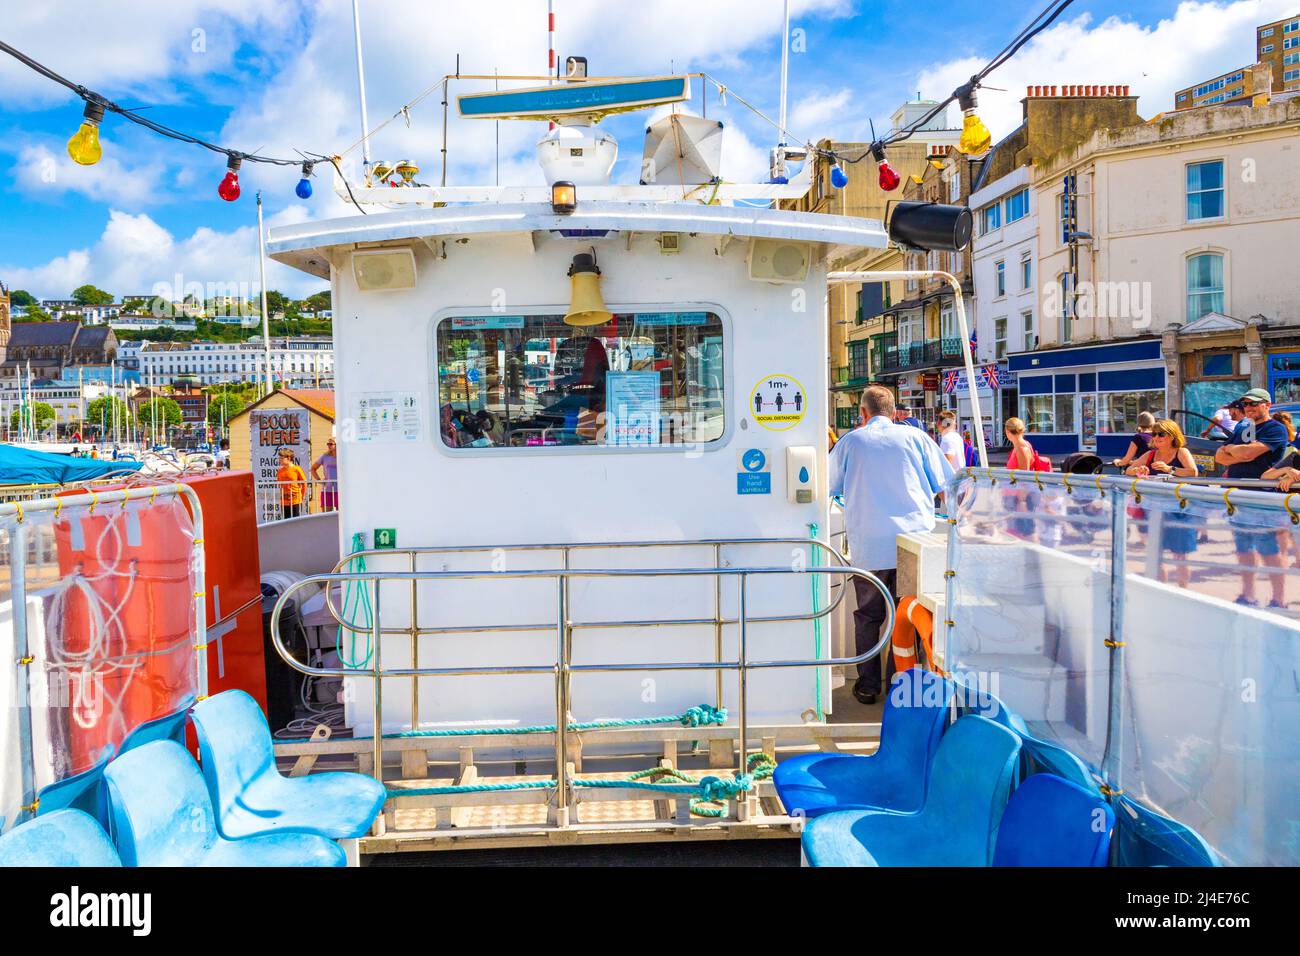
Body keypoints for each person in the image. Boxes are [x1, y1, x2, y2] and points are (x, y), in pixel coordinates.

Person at [829, 385, 954, 705]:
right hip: (913, 543)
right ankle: (901, 684)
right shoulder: (918, 439)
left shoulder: (851, 442)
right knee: (908, 615)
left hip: (869, 545)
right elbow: (948, 487)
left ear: (864, 414)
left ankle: (868, 686)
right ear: (894, 412)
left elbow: (827, 487)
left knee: (868, 616)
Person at [1214, 388, 1292, 607]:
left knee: (1270, 550)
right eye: (1246, 404)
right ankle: (1248, 595)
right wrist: (1234, 450)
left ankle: (1279, 599)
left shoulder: (1275, 428)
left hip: (1264, 499)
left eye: (1253, 404)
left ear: (1267, 405)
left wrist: (1232, 450)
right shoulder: (1243, 428)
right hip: (1240, 498)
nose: (1248, 408)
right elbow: (1220, 457)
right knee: (1244, 549)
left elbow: (1247, 454)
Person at [1125, 419, 1200, 588]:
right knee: (1156, 555)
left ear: (1172, 436)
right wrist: (1137, 470)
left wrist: (1169, 469)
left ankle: (1183, 592)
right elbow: (1128, 469)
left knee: (1180, 556)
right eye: (1155, 434)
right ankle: (1162, 591)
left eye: (1161, 434)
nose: (1157, 437)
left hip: (1179, 511)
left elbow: (1193, 472)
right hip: (1154, 510)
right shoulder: (1150, 454)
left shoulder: (1181, 452)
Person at [276, 447, 307, 520]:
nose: (279, 460)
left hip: (295, 501)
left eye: (281, 458)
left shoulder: (297, 469)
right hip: (284, 501)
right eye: (279, 458)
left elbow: (304, 483)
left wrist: (302, 496)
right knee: (286, 523)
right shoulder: (280, 471)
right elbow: (280, 485)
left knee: (296, 522)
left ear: (289, 458)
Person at [312, 438, 338, 511]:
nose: (328, 446)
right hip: (327, 490)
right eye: (328, 444)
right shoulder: (324, 456)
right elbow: (313, 468)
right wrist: (319, 480)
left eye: (331, 444)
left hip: (340, 490)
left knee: (341, 515)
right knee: (326, 514)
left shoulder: (343, 456)